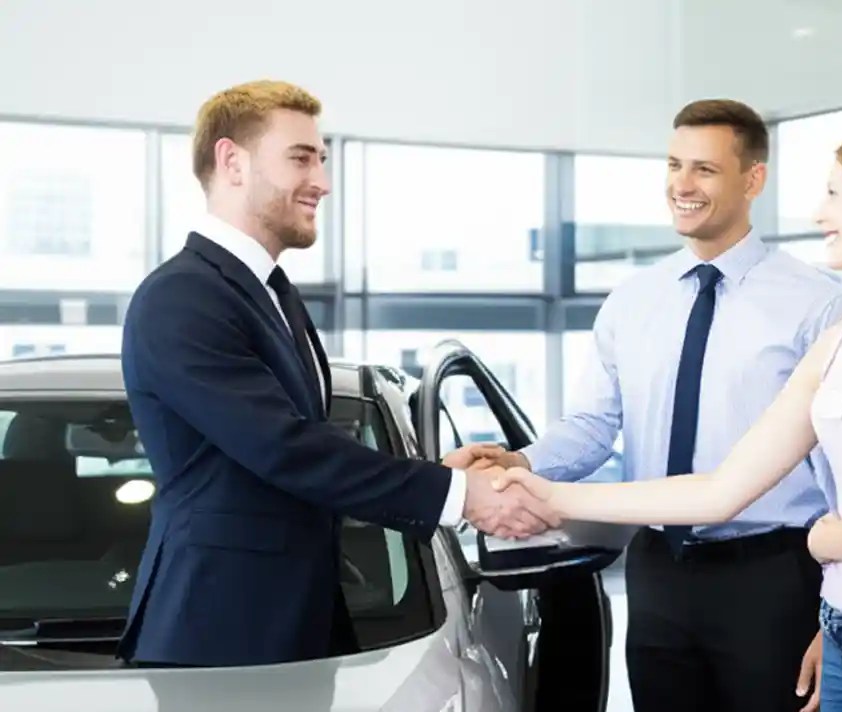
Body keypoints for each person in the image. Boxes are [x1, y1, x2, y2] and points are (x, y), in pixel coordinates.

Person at [493, 129, 842, 712]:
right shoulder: (840, 339)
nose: (819, 211)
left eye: (835, 194)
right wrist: (545, 488)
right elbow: (720, 489)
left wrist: (821, 541)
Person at [118, 79, 556, 669]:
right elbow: (285, 449)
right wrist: (456, 496)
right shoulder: (183, 298)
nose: (322, 182)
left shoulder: (272, 294)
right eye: (301, 158)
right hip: (219, 635)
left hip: (300, 625)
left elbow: (314, 454)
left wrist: (425, 474)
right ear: (232, 162)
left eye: (321, 160)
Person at [447, 99, 842, 712]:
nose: (681, 186)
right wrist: (520, 461)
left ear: (754, 179)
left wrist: (836, 612)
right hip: (660, 571)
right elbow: (591, 427)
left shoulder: (817, 305)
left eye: (705, 170)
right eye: (674, 165)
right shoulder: (634, 300)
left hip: (773, 577)